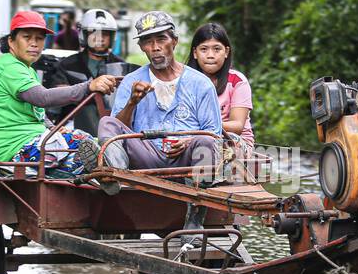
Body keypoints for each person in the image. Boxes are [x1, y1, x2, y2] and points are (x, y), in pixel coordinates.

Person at [95, 11, 222, 204]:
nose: (155, 48)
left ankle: (196, 212)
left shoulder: (200, 83)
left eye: (161, 39)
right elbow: (117, 132)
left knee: (205, 142)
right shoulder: (132, 81)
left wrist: (189, 141)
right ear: (141, 47)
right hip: (146, 157)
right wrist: (132, 102)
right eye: (147, 41)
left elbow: (214, 134)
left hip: (185, 160)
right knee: (106, 123)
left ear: (174, 41)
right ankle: (115, 176)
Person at [0, 10, 118, 174]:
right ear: (11, 41)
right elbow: (42, 98)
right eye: (27, 37)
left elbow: (36, 113)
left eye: (39, 38)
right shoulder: (10, 66)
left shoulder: (26, 68)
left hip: (28, 140)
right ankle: (102, 174)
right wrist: (88, 86)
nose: (34, 43)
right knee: (82, 144)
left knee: (86, 140)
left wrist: (53, 129)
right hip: (10, 146)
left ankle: (97, 174)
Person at [39, 8, 138, 136]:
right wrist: (53, 127)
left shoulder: (121, 66)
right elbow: (56, 100)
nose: (100, 38)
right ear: (84, 35)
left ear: (112, 37)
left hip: (112, 126)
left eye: (105, 34)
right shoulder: (67, 65)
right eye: (94, 33)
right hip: (72, 125)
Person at [186, 22, 254, 150]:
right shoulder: (184, 82)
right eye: (204, 49)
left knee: (207, 145)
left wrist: (200, 129)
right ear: (195, 53)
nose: (210, 55)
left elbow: (237, 126)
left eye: (217, 49)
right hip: (192, 139)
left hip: (232, 141)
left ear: (226, 51)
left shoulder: (237, 81)